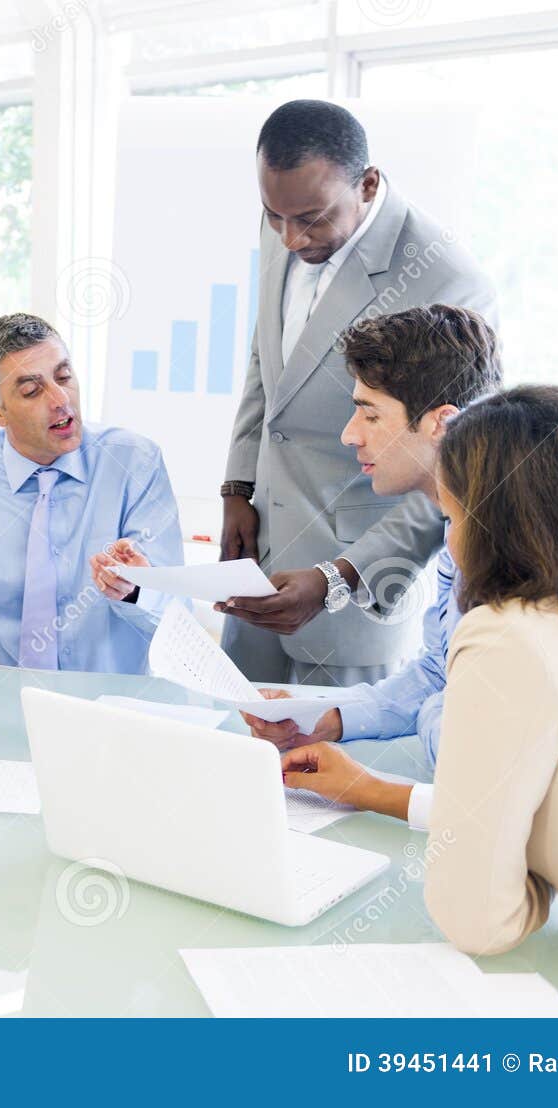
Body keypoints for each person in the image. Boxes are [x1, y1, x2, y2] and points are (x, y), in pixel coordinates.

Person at [281, 387, 558, 1018]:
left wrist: (536, 875)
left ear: (501, 521)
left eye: (453, 517)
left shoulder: (511, 635)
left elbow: (478, 920)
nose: (450, 545)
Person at [219, 99, 496, 687]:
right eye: (274, 217)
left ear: (367, 184)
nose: (291, 239)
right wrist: (238, 487)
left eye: (311, 220)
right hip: (259, 565)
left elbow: (454, 468)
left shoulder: (449, 279)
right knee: (232, 755)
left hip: (353, 594)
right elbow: (265, 363)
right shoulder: (291, 211)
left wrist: (339, 577)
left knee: (332, 775)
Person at [236, 305, 501, 831]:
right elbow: (437, 674)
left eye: (370, 414)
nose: (350, 435)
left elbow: (477, 751)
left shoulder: (508, 549)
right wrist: (322, 719)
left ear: (440, 423)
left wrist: (417, 729)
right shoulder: (457, 531)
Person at [0, 313, 182, 675]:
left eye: (64, 376)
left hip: (113, 703)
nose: (61, 399)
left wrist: (138, 587)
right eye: (32, 390)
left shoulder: (135, 463)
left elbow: (175, 610)